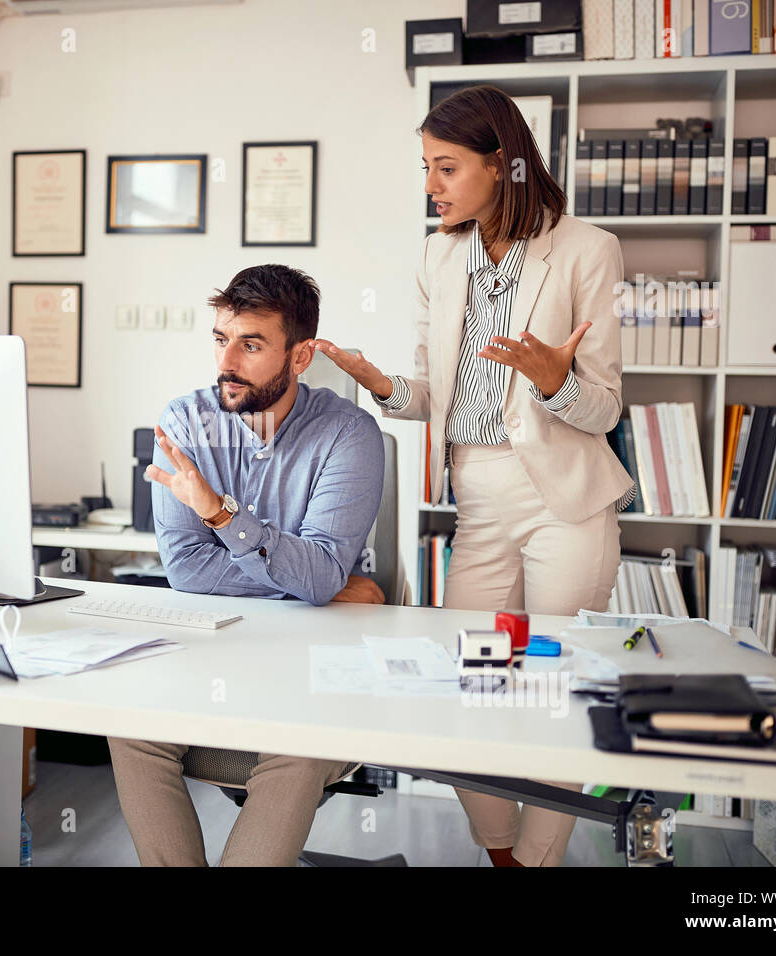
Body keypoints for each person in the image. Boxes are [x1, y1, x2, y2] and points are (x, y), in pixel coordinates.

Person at [314, 85, 637, 868]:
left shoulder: (587, 249)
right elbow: (437, 397)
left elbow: (603, 408)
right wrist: (382, 383)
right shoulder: (439, 253)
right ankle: (501, 850)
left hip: (565, 502)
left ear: (502, 165)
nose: (432, 185)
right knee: (472, 691)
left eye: (447, 167)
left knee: (553, 694)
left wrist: (555, 380)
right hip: (479, 499)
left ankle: (533, 862)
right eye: (427, 167)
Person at [107, 263, 386, 866]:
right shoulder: (186, 422)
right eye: (220, 338)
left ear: (302, 355)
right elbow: (187, 571)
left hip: (307, 675)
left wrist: (220, 517)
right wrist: (318, 584)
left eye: (251, 344)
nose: (226, 361)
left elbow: (315, 574)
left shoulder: (349, 434)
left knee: (300, 742)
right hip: (215, 660)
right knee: (130, 725)